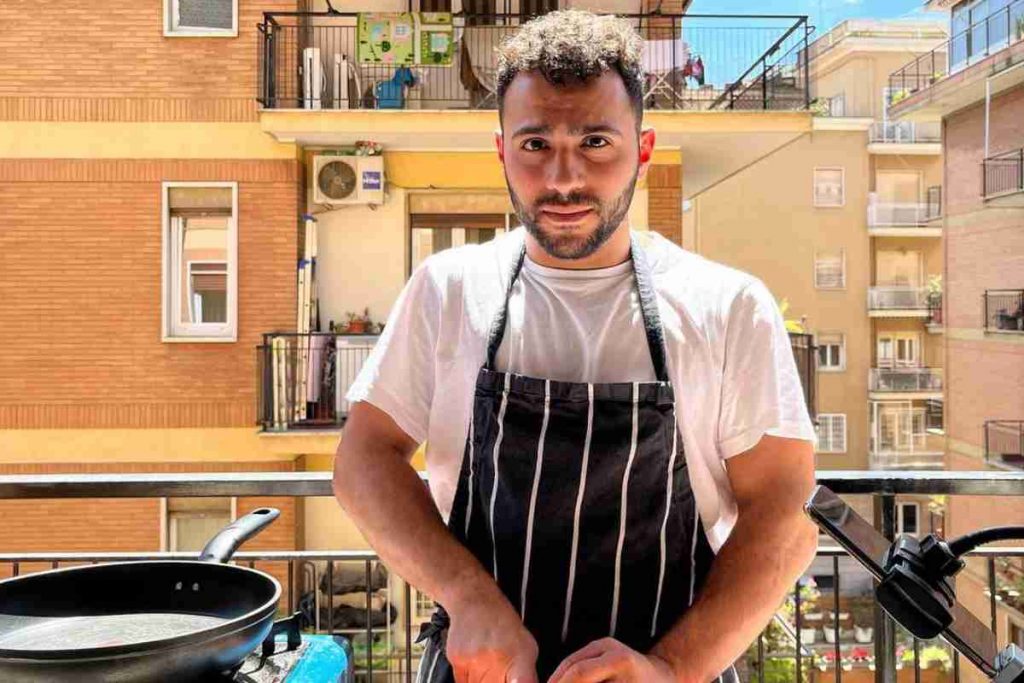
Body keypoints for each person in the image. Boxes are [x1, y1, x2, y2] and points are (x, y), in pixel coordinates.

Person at [334, 10, 818, 683]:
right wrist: (470, 598)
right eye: (535, 145)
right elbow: (364, 458)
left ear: (642, 150)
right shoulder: (448, 289)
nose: (564, 179)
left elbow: (783, 516)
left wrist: (670, 667)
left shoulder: (726, 305)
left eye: (595, 141)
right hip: (481, 669)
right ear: (502, 150)